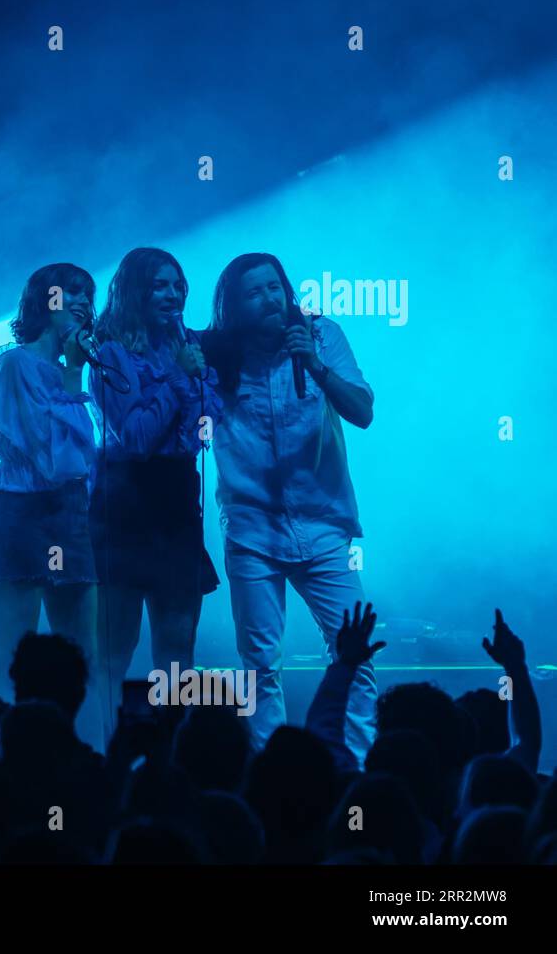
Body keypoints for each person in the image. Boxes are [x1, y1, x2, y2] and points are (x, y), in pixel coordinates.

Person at [200, 252, 375, 761]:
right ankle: (270, 774)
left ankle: (355, 767)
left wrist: (316, 368)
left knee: (354, 653)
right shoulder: (213, 352)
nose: (270, 298)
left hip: (322, 526)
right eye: (254, 292)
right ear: (233, 305)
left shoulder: (321, 336)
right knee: (259, 663)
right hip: (253, 529)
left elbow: (362, 412)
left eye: (275, 287)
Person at [89, 248, 220, 719]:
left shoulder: (183, 345)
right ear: (135, 292)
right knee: (114, 650)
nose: (172, 295)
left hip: (177, 500)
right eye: (160, 286)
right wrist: (179, 379)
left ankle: (173, 750)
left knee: (177, 649)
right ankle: (106, 749)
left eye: (177, 286)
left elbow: (200, 432)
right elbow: (138, 436)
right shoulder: (109, 353)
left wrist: (199, 388)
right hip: (125, 502)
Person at [0, 263, 100, 743]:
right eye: (73, 292)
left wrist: (75, 371)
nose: (85, 302)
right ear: (46, 301)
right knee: (12, 659)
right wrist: (71, 376)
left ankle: (82, 762)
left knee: (80, 658)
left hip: (72, 513)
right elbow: (54, 457)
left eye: (89, 293)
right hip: (22, 512)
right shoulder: (14, 363)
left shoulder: (82, 366)